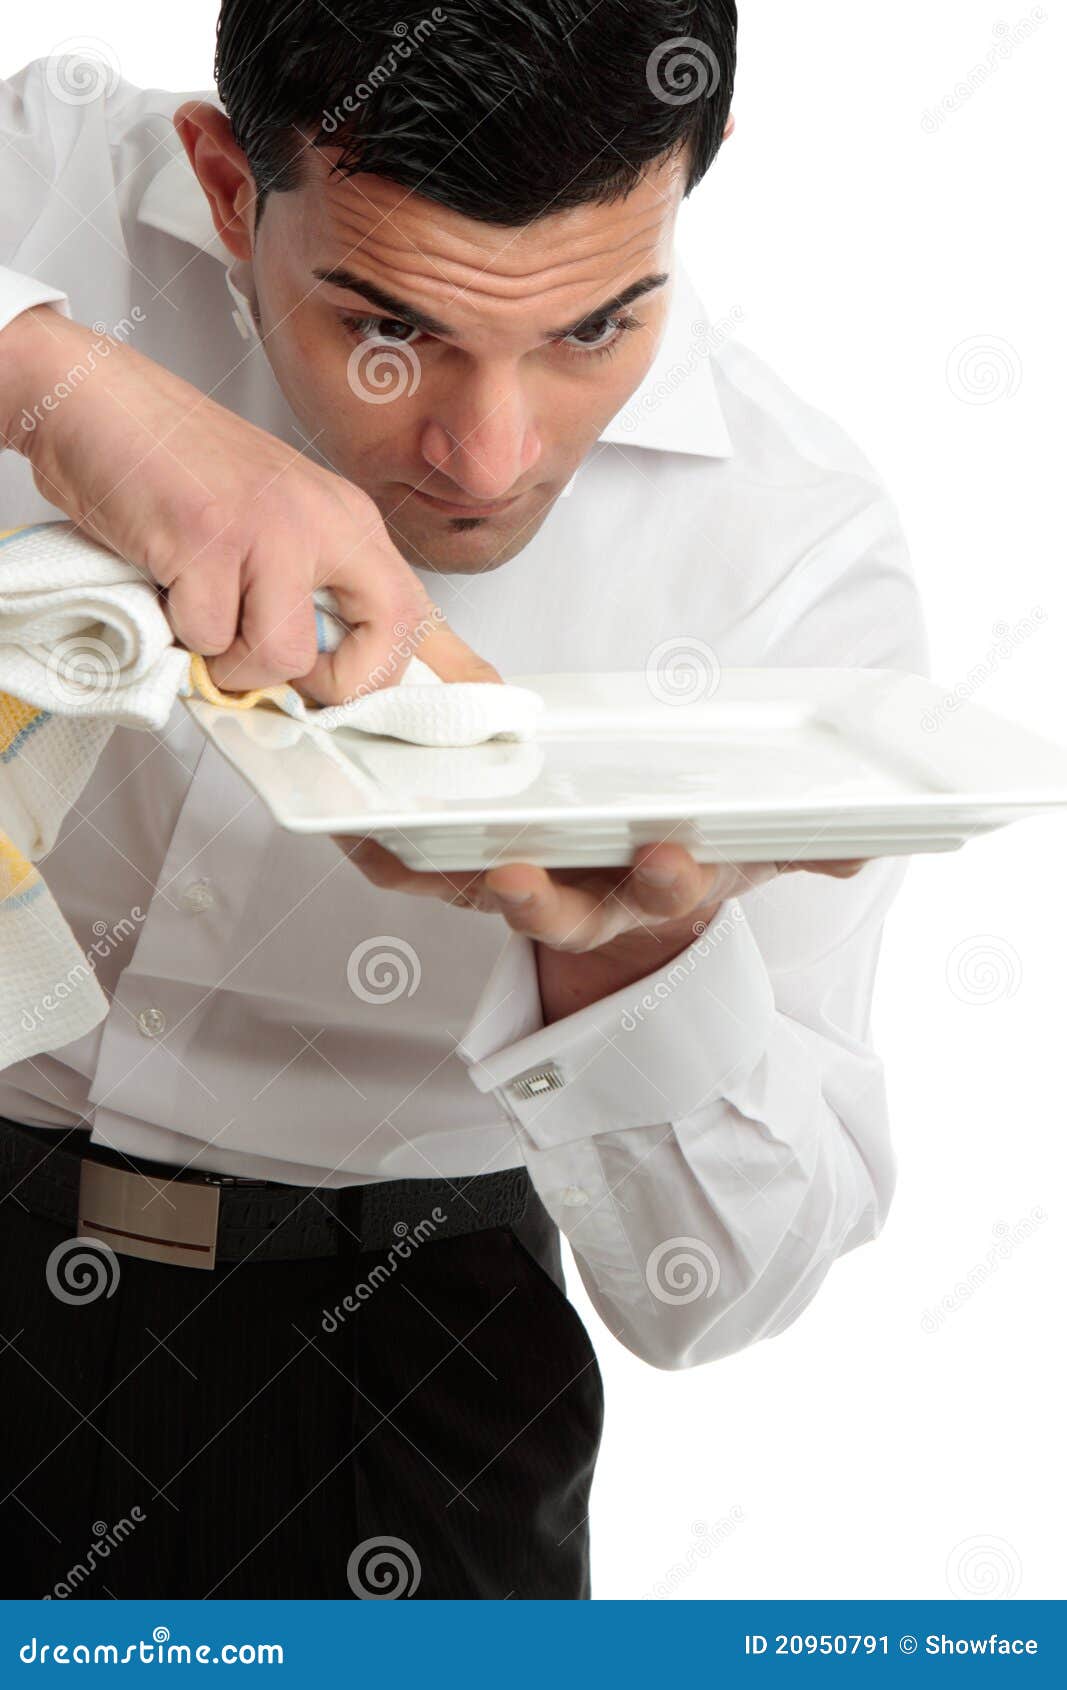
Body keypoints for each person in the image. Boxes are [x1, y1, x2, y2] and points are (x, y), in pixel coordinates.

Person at [0, 2, 927, 1599]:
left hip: (398, 1385)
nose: (491, 458)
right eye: (391, 323)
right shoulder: (49, 172)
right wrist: (65, 385)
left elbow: (727, 1292)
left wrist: (628, 961)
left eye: (595, 328)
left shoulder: (792, 557)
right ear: (229, 189)